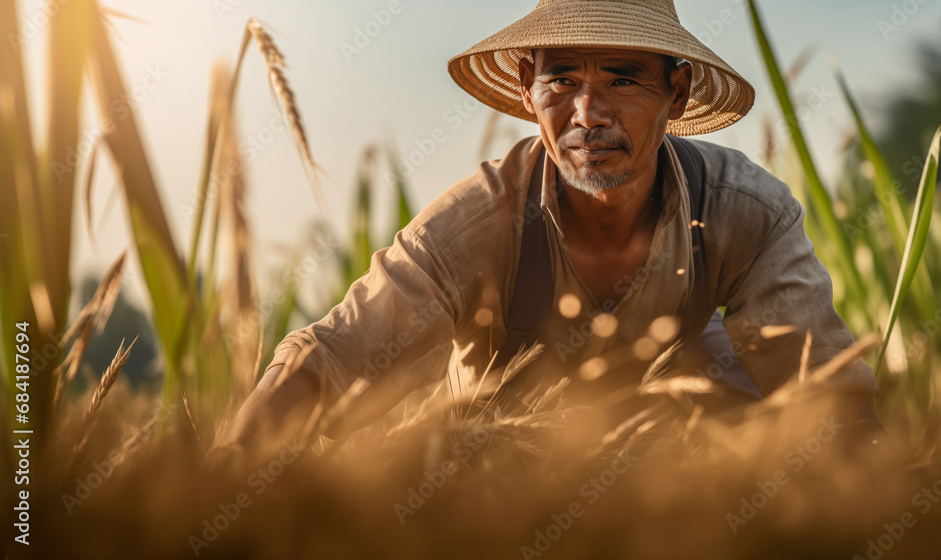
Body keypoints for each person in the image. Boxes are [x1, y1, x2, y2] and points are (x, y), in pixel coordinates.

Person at [218, 0, 881, 455]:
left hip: (674, 484)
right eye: (562, 79)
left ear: (677, 92)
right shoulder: (478, 223)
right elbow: (332, 356)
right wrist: (233, 474)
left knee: (716, 366)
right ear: (527, 83)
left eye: (623, 80)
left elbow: (828, 395)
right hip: (497, 482)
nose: (587, 114)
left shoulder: (745, 210)